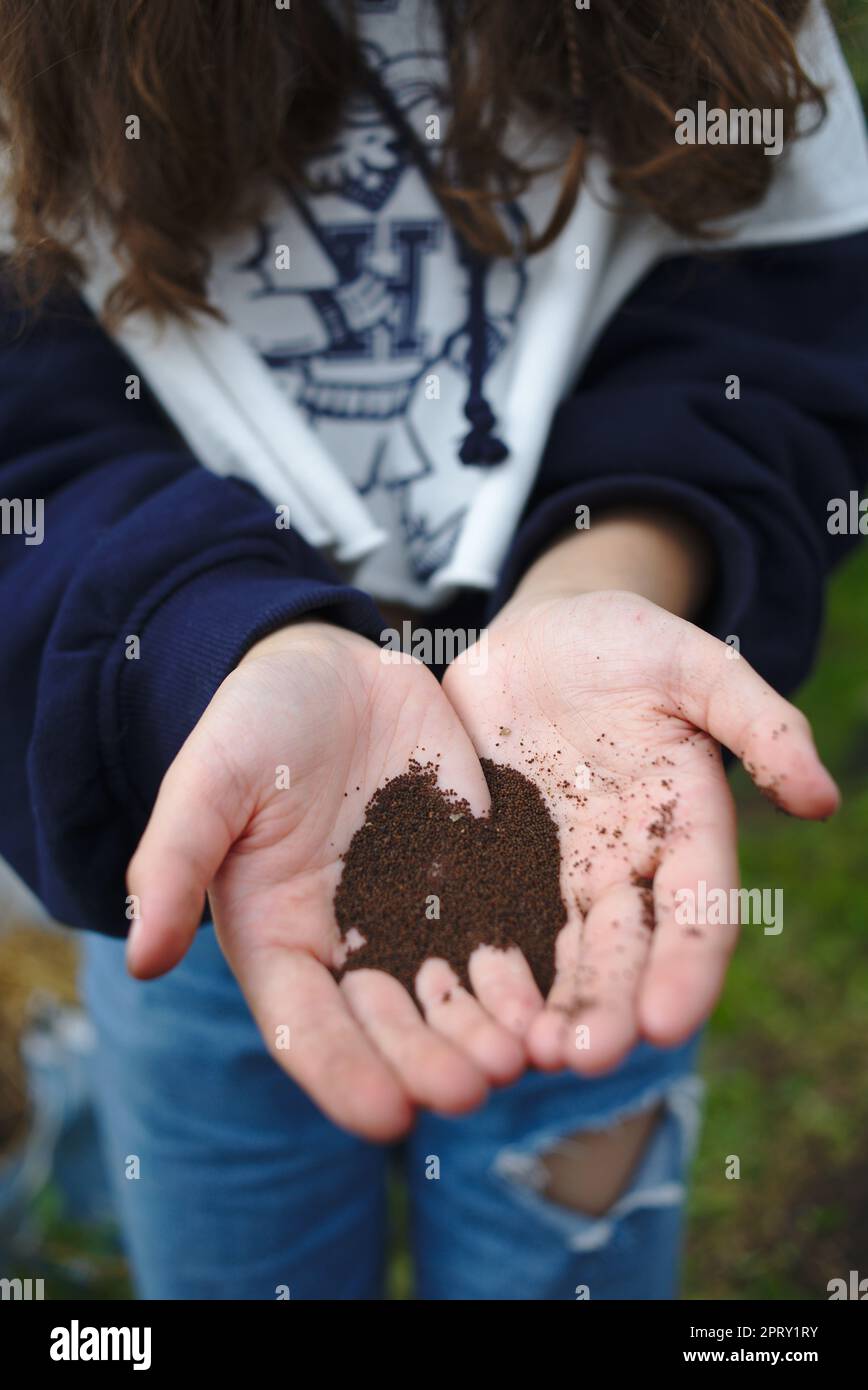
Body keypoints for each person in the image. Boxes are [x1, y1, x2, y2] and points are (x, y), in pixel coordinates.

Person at [0, 0, 866, 1300]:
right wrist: (214, 645)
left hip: (591, 852)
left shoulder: (723, 29)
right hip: (218, 829)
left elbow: (780, 335)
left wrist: (612, 569)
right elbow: (29, 442)